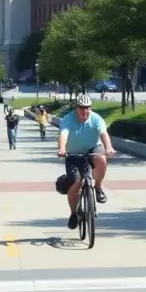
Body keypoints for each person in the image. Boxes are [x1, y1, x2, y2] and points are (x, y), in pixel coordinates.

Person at [55, 94, 116, 230]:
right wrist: (62, 148)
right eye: (82, 108)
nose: (85, 111)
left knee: (101, 159)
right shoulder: (68, 119)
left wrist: (109, 147)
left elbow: (103, 134)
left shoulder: (96, 118)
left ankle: (98, 187)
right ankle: (73, 214)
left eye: (87, 108)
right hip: (73, 154)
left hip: (92, 149)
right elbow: (63, 134)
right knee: (75, 184)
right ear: (76, 108)